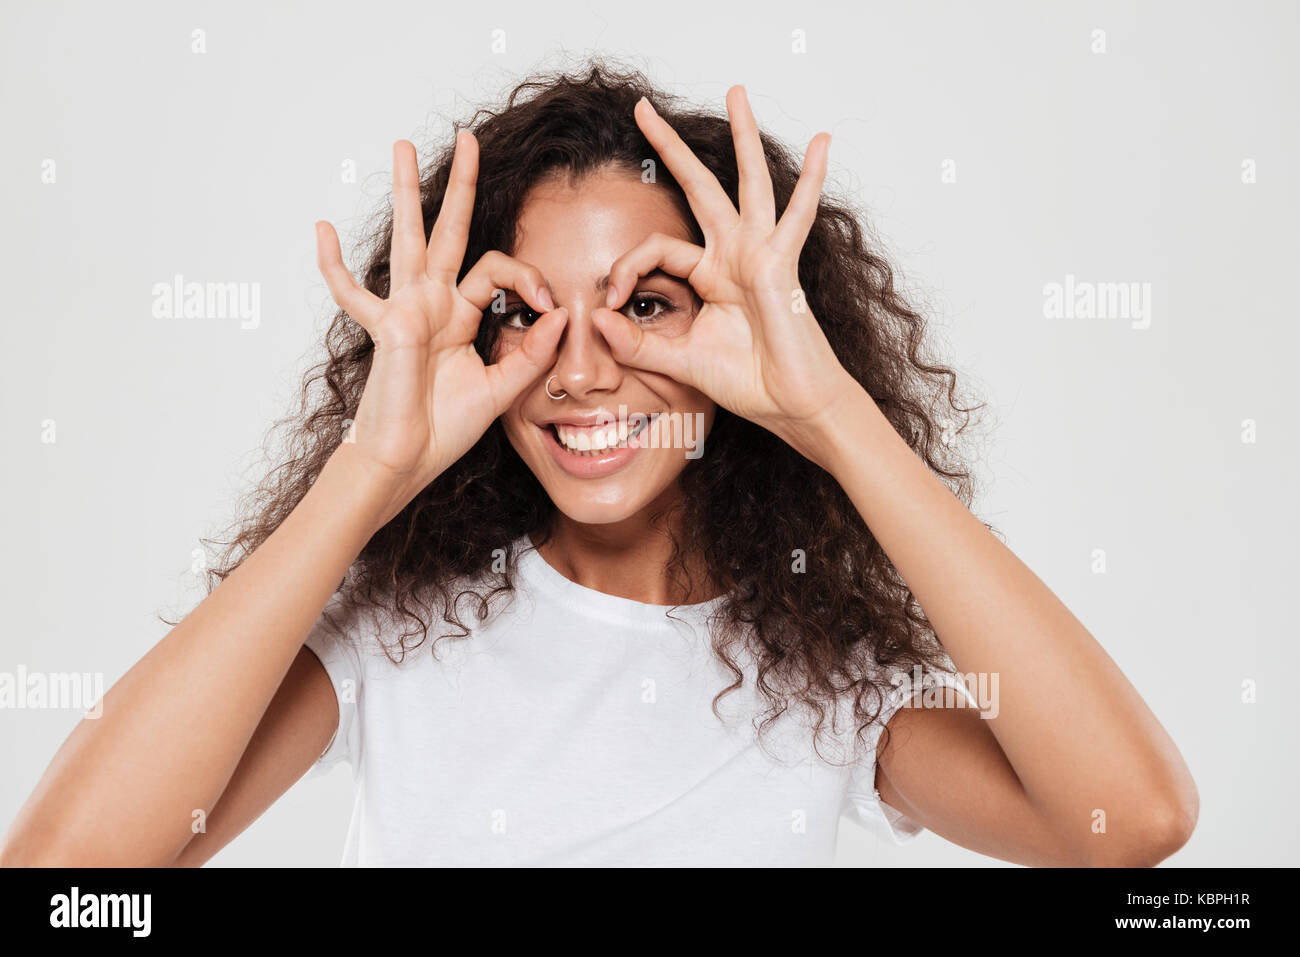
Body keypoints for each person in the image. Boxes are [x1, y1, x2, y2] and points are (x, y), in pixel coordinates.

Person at [1, 61, 1198, 867]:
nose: (579, 370)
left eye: (649, 303)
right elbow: (65, 873)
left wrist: (824, 407)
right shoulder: (401, 632)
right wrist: (372, 466)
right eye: (526, 314)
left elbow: (1132, 825)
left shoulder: (833, 683)